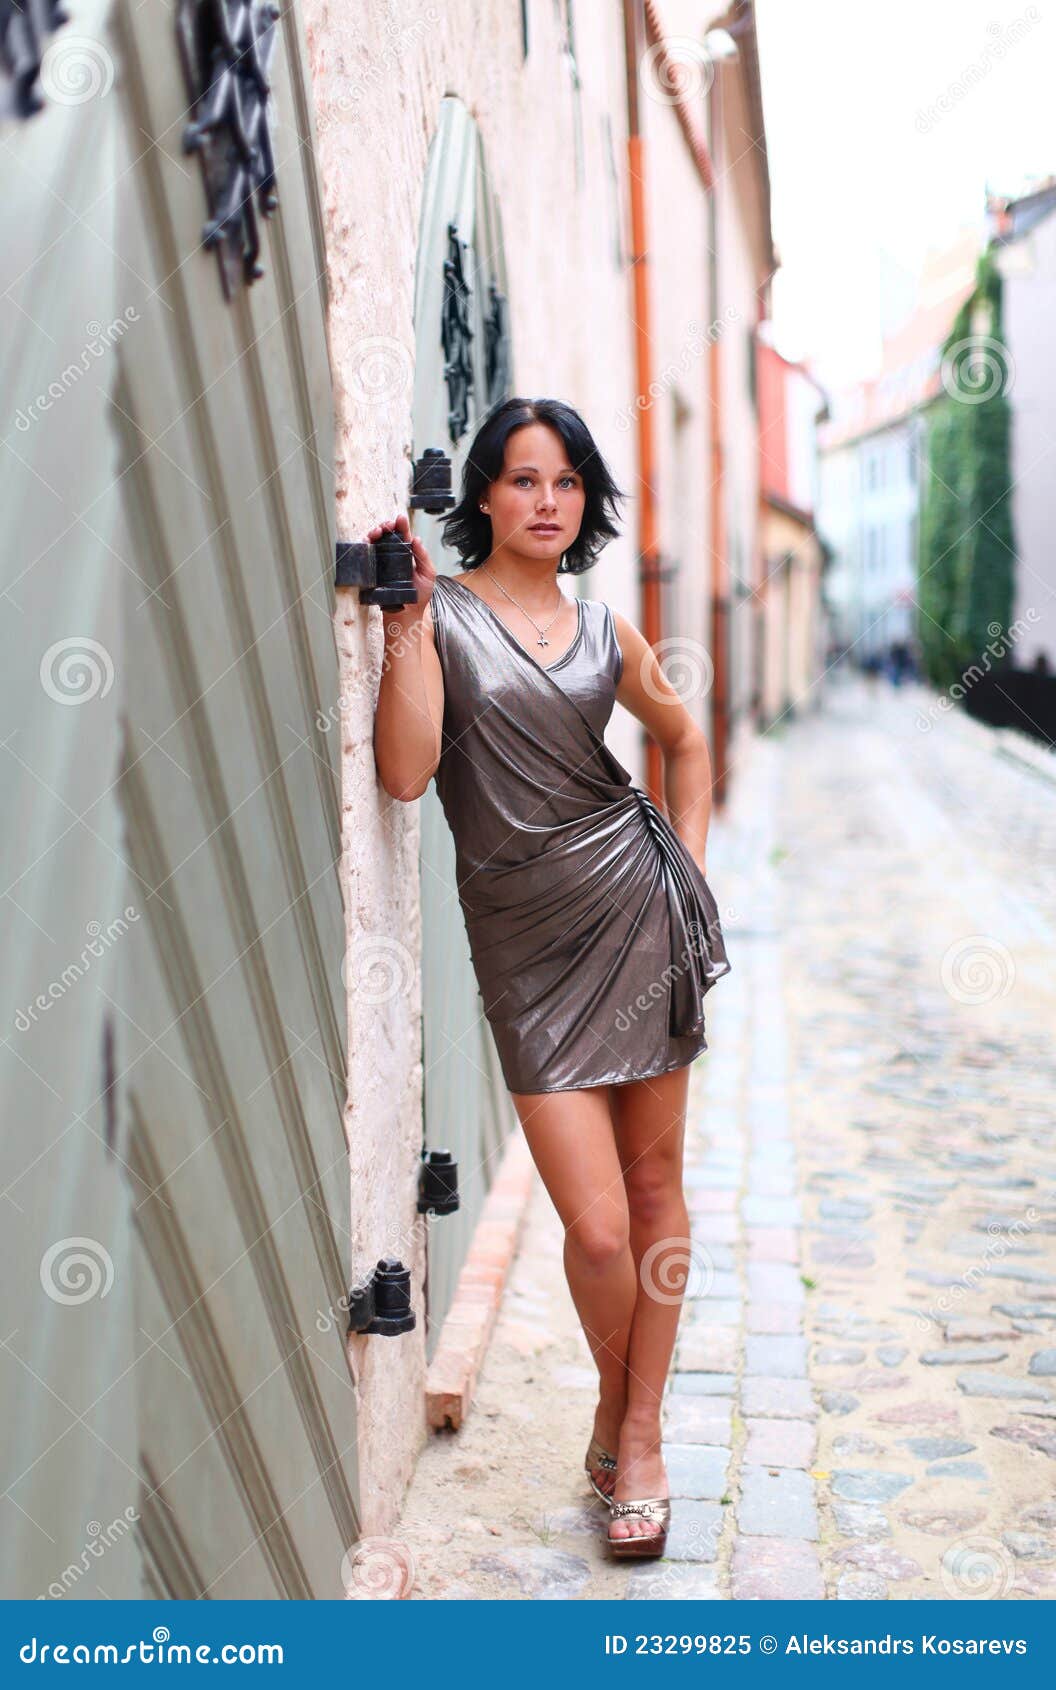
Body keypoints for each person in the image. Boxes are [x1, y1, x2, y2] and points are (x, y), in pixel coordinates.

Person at [372, 396, 731, 1560]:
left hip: (638, 919)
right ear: (483, 493)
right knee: (594, 1227)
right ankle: (617, 1410)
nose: (545, 502)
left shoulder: (604, 628)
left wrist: (687, 871)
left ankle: (636, 1434)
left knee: (657, 1198)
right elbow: (407, 771)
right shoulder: (451, 616)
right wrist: (406, 634)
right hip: (526, 950)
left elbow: (684, 737)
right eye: (524, 480)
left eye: (566, 483)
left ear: (585, 502)